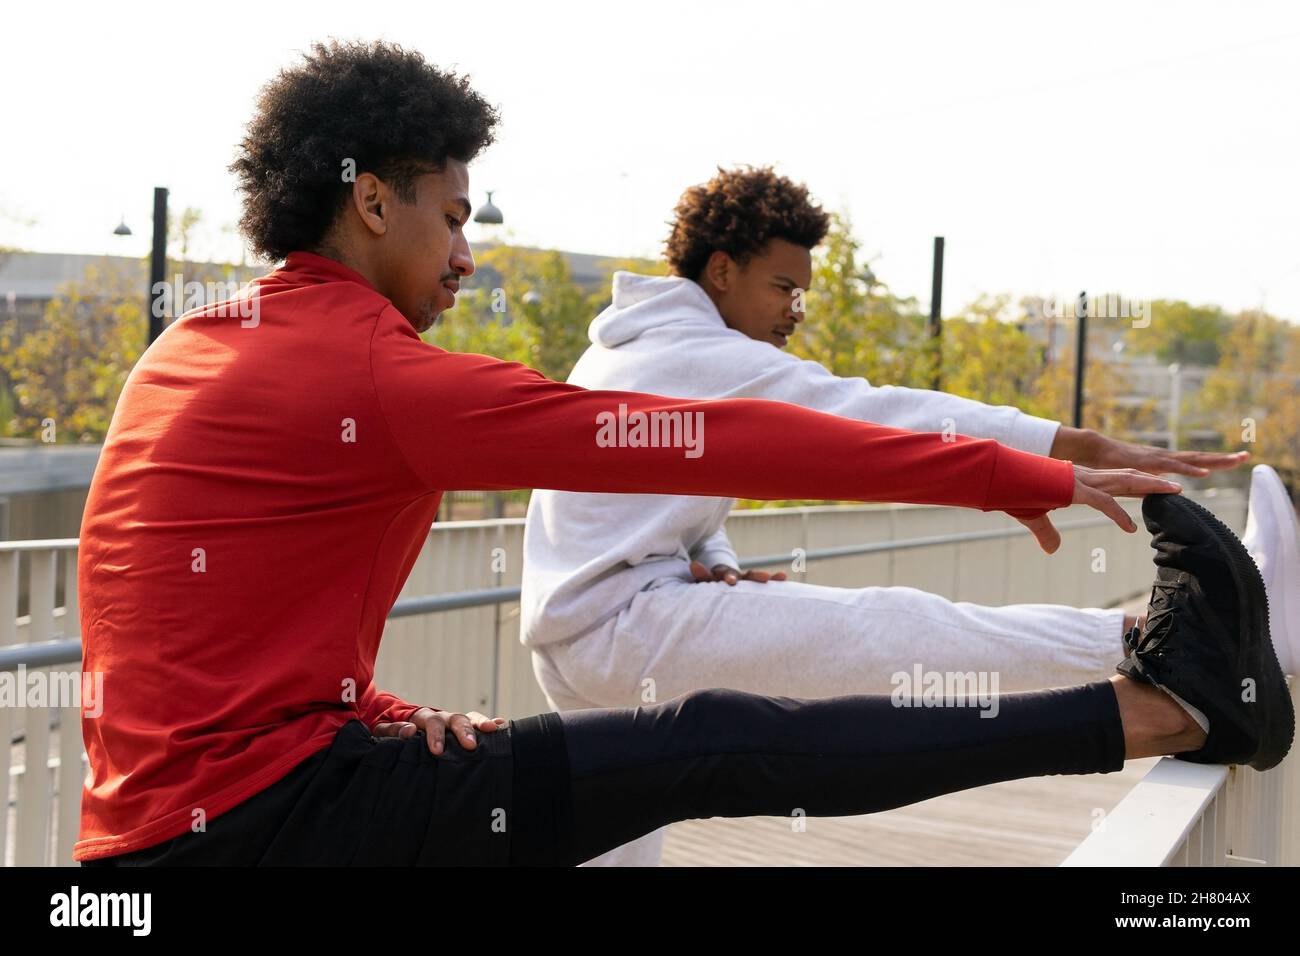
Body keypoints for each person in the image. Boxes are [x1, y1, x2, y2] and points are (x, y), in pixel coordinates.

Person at [74, 40, 1292, 867]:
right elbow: (712, 436)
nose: (466, 254)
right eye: (451, 217)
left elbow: (172, 640)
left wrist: (375, 710)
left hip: (170, 826)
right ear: (372, 203)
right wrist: (1010, 470)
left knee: (667, 757)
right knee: (713, 743)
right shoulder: (373, 371)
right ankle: (1168, 711)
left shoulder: (192, 344)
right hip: (260, 823)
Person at [521, 167, 1290, 865]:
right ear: (721, 272)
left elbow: (660, 492)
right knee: (884, 628)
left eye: (803, 293)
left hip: (590, 632)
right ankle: (1192, 633)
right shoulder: (689, 350)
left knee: (610, 840)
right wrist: (1057, 445)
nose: (795, 311)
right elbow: (867, 415)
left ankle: (1193, 631)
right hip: (620, 627)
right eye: (781, 286)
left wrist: (713, 556)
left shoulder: (647, 346)